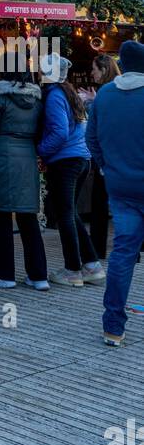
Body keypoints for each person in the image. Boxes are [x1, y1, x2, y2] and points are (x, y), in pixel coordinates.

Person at [85, 39, 144, 346]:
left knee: (122, 253)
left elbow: (90, 138)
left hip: (120, 184)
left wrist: (107, 166)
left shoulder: (105, 95)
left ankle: (113, 326)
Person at [0, 65, 48, 290]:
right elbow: (41, 131)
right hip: (27, 159)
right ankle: (38, 275)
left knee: (1, 217)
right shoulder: (37, 100)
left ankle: (4, 273)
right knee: (28, 219)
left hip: (0, 157)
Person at [37, 52, 103, 287]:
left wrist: (41, 151)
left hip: (65, 161)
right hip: (80, 158)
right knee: (71, 213)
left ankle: (73, 269)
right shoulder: (69, 92)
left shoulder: (54, 95)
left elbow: (59, 132)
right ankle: (92, 264)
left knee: (65, 215)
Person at [88, 53, 121, 259]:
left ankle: (98, 249)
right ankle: (130, 249)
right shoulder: (121, 91)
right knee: (122, 206)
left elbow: (95, 131)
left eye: (94, 69)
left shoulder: (105, 94)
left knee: (100, 204)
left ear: (104, 70)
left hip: (106, 156)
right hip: (122, 157)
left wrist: (93, 102)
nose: (92, 72)